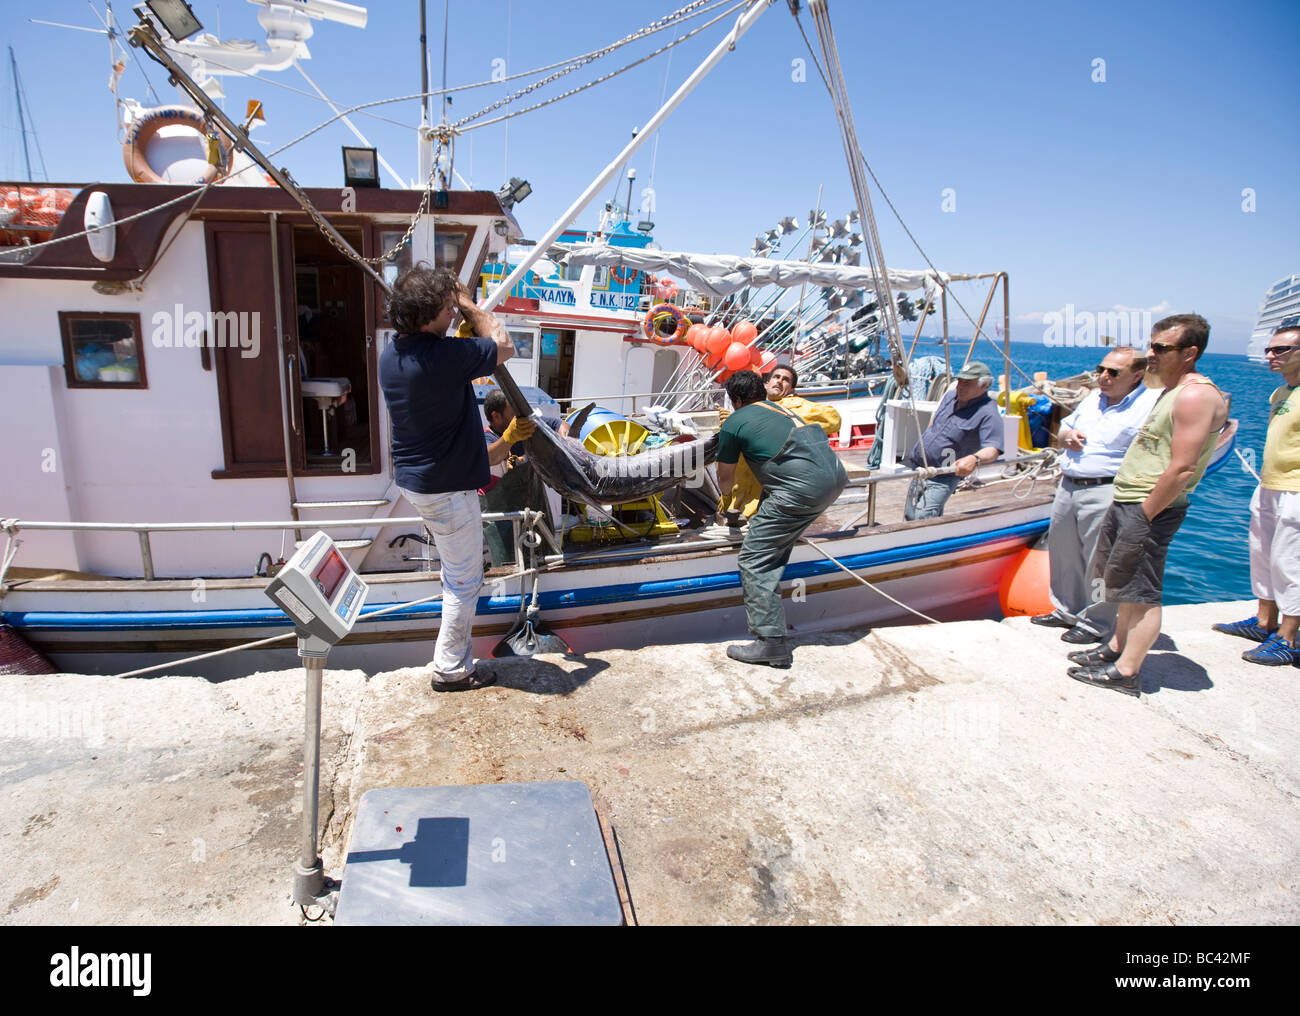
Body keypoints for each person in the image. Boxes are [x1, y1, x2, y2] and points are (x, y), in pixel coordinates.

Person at [1068, 313, 1229, 696]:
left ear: (1190, 352)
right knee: (1122, 584)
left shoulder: (1195, 395)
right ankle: (1116, 646)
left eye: (1160, 348)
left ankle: (1127, 671)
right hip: (1130, 498)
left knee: (1142, 591)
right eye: (1150, 345)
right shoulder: (1171, 391)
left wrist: (1145, 513)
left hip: (1149, 505)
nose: (1150, 355)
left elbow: (1183, 466)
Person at [378, 266, 515, 692]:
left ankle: (452, 660)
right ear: (430, 313)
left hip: (416, 482)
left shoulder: (392, 354)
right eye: (447, 305)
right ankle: (452, 669)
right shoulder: (441, 358)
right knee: (463, 581)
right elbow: (504, 345)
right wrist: (471, 304)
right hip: (447, 490)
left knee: (453, 572)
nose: (452, 309)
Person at [715, 370, 848, 667]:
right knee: (773, 540)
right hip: (835, 480)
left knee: (755, 558)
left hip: (800, 491)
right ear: (761, 392)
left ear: (735, 400)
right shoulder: (782, 408)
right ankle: (771, 615)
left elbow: (725, 479)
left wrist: (727, 502)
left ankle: (770, 643)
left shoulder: (734, 421)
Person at [1031, 347, 1159, 644]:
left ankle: (1096, 621)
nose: (1104, 376)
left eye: (1114, 372)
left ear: (1137, 375)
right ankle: (1066, 610)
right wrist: (1067, 437)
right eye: (1101, 369)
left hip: (1106, 488)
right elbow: (1065, 428)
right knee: (1065, 552)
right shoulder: (1092, 399)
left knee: (1099, 560)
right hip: (1069, 484)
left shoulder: (1149, 405)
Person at [1211, 323, 1300, 665]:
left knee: (1289, 562)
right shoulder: (1280, 394)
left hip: (1295, 489)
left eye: (1281, 350)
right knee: (1262, 553)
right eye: (1270, 349)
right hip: (1270, 484)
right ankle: (1264, 621)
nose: (1271, 356)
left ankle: (1288, 638)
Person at [715, 364, 843, 527]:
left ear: (792, 389)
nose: (779, 381)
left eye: (786, 380)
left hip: (767, 497)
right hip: (739, 495)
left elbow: (834, 420)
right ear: (766, 384)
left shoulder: (793, 409)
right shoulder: (743, 412)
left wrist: (791, 408)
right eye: (776, 377)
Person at [903, 361, 1004, 520]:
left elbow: (993, 448)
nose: (960, 386)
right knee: (910, 514)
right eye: (960, 381)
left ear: (984, 385)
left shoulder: (988, 413)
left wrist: (974, 458)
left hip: (943, 475)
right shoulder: (950, 397)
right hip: (919, 468)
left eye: (967, 383)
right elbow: (934, 422)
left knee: (923, 516)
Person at [480, 388, 568, 566]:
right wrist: (509, 437)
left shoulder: (524, 425)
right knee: (510, 563)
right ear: (496, 417)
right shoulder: (485, 438)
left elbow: (559, 424)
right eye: (512, 413)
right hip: (502, 519)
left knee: (545, 557)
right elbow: (491, 457)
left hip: (534, 509)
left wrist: (563, 441)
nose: (518, 417)